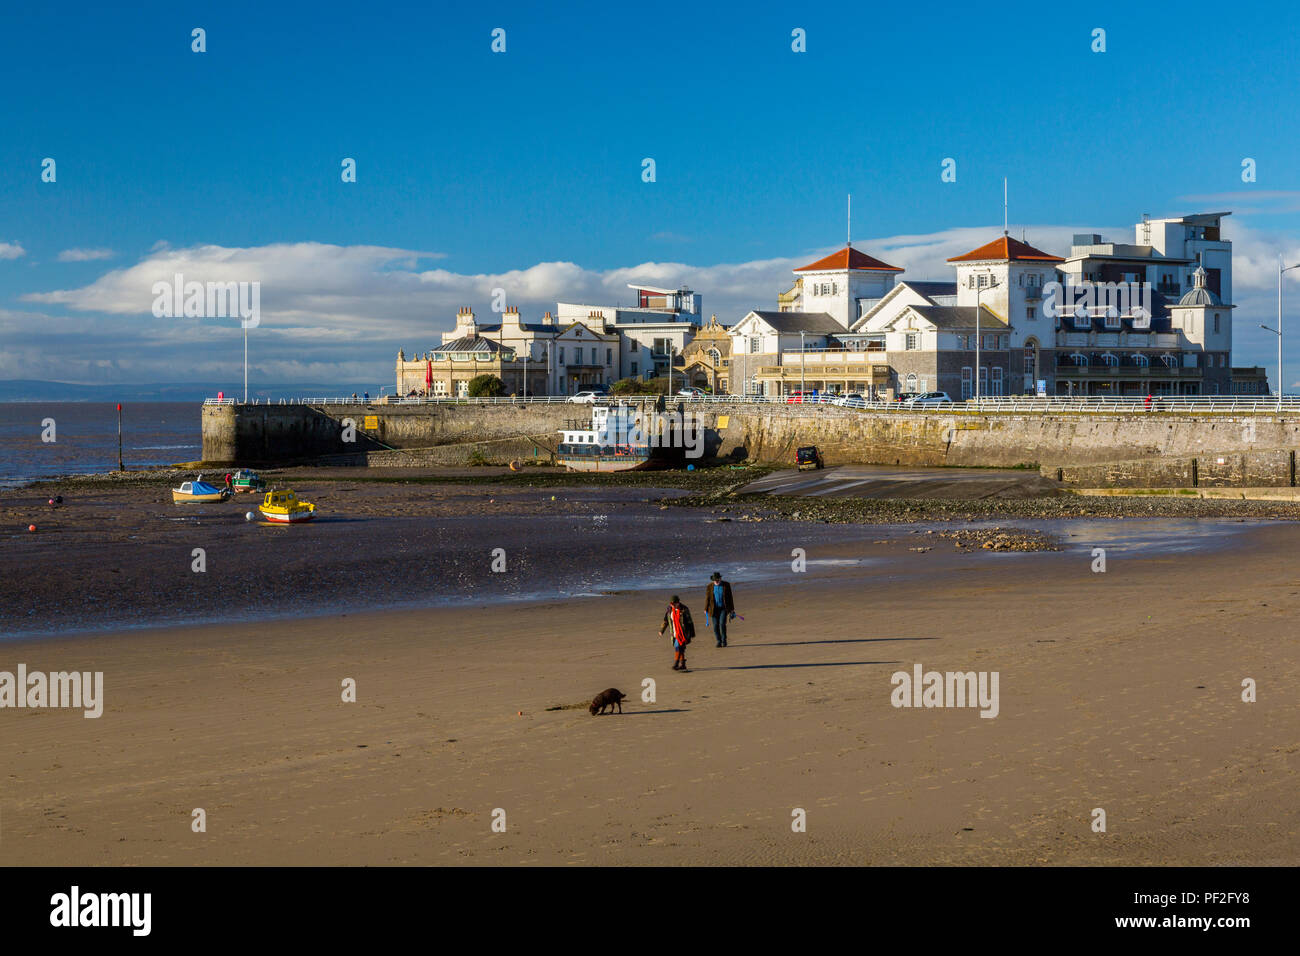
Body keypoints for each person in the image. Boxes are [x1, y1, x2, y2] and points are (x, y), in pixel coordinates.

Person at [659, 595, 695, 672]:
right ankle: (683, 665)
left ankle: (676, 663)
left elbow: (690, 621)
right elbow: (665, 621)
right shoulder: (669, 610)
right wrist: (662, 630)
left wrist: (692, 633)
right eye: (672, 604)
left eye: (675, 603)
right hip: (674, 633)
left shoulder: (684, 609)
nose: (674, 605)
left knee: (679, 647)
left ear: (678, 602)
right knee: (678, 648)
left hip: (683, 633)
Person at [704, 571, 736, 647]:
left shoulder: (726, 585)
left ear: (720, 578)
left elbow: (730, 597)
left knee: (722, 624)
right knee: (715, 626)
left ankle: (724, 640)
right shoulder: (709, 586)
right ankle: (718, 641)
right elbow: (707, 598)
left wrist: (732, 609)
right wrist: (705, 609)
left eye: (718, 579)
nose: (717, 581)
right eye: (715, 580)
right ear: (713, 580)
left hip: (723, 608)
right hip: (713, 609)